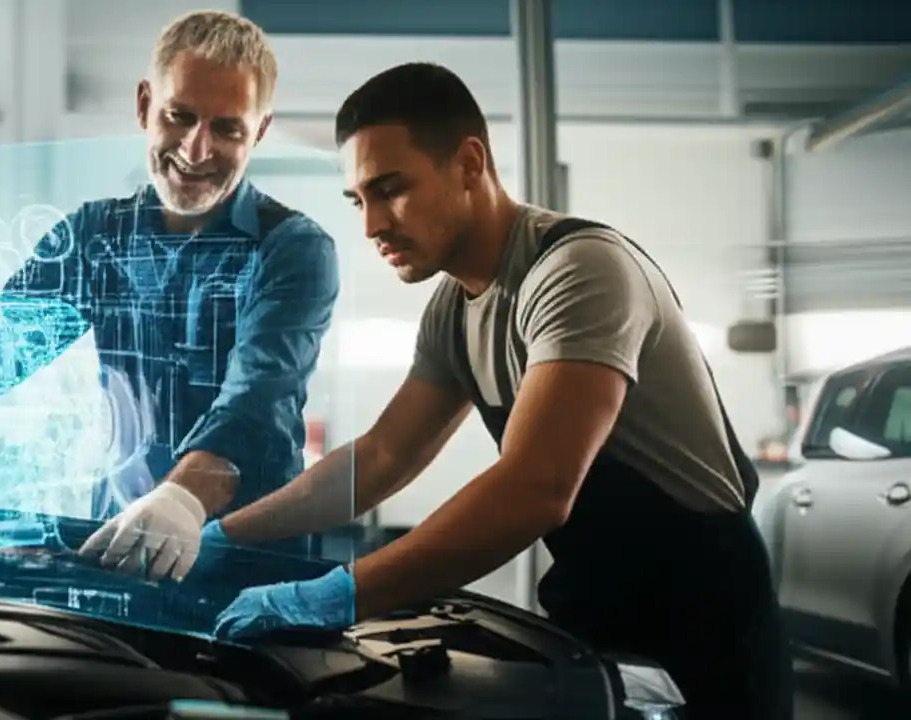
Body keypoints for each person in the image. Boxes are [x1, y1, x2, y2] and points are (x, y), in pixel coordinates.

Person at [195, 63, 793, 717]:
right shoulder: (455, 308)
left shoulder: (579, 270)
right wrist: (221, 536)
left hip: (705, 620)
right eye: (358, 199)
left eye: (390, 189)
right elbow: (383, 457)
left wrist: (337, 595)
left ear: (469, 162)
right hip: (595, 607)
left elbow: (534, 489)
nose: (371, 226)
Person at [0, 10, 339, 582]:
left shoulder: (293, 251)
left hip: (249, 568)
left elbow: (255, 405)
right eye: (180, 117)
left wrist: (182, 500)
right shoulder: (93, 238)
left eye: (228, 129)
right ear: (145, 105)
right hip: (120, 553)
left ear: (260, 131)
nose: (198, 151)